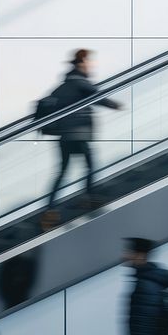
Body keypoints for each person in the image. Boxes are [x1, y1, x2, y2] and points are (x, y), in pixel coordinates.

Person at [42, 49, 122, 229]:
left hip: (64, 136)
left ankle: (50, 210)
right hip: (78, 133)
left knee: (62, 172)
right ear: (81, 63)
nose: (91, 65)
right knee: (90, 166)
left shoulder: (62, 87)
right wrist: (115, 105)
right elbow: (97, 96)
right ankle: (89, 198)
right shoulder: (80, 82)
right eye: (88, 61)